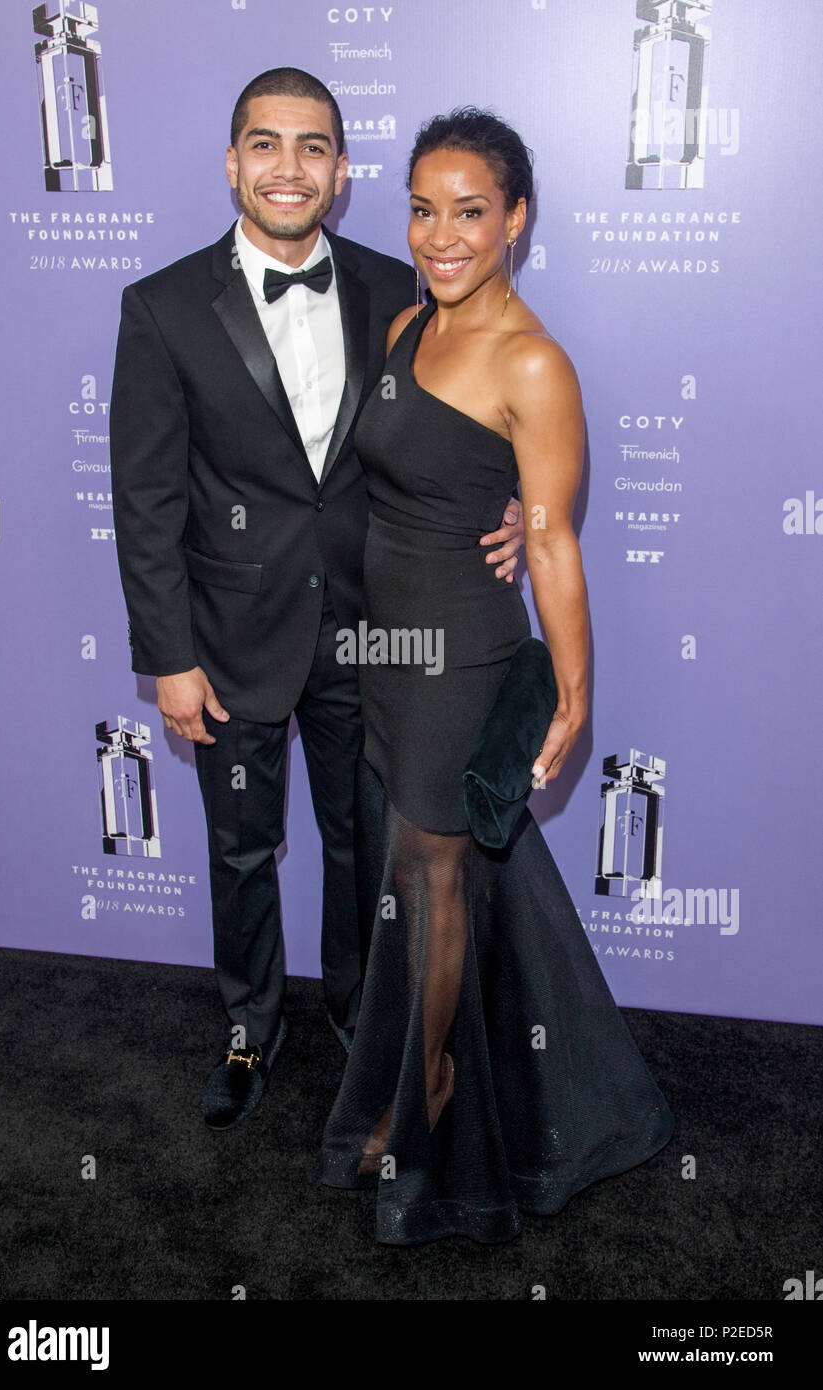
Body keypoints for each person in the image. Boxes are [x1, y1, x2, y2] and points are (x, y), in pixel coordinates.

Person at [109, 70, 524, 1131]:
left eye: (311, 148)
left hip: (372, 633)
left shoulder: (402, 286)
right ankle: (249, 1029)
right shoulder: (159, 307)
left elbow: (486, 399)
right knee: (240, 849)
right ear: (233, 162)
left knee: (363, 847)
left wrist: (521, 505)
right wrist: (169, 655)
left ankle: (358, 1014)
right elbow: (146, 498)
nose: (287, 167)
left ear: (340, 172)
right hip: (228, 642)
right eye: (264, 144)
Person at [320, 107, 675, 1244]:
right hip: (388, 651)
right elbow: (401, 482)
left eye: (469, 212)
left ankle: (426, 1107)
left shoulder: (533, 359)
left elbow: (555, 539)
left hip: (459, 658)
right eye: (424, 210)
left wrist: (572, 693)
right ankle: (423, 1081)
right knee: (425, 886)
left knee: (430, 888)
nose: (441, 235)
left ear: (515, 219)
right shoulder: (404, 330)